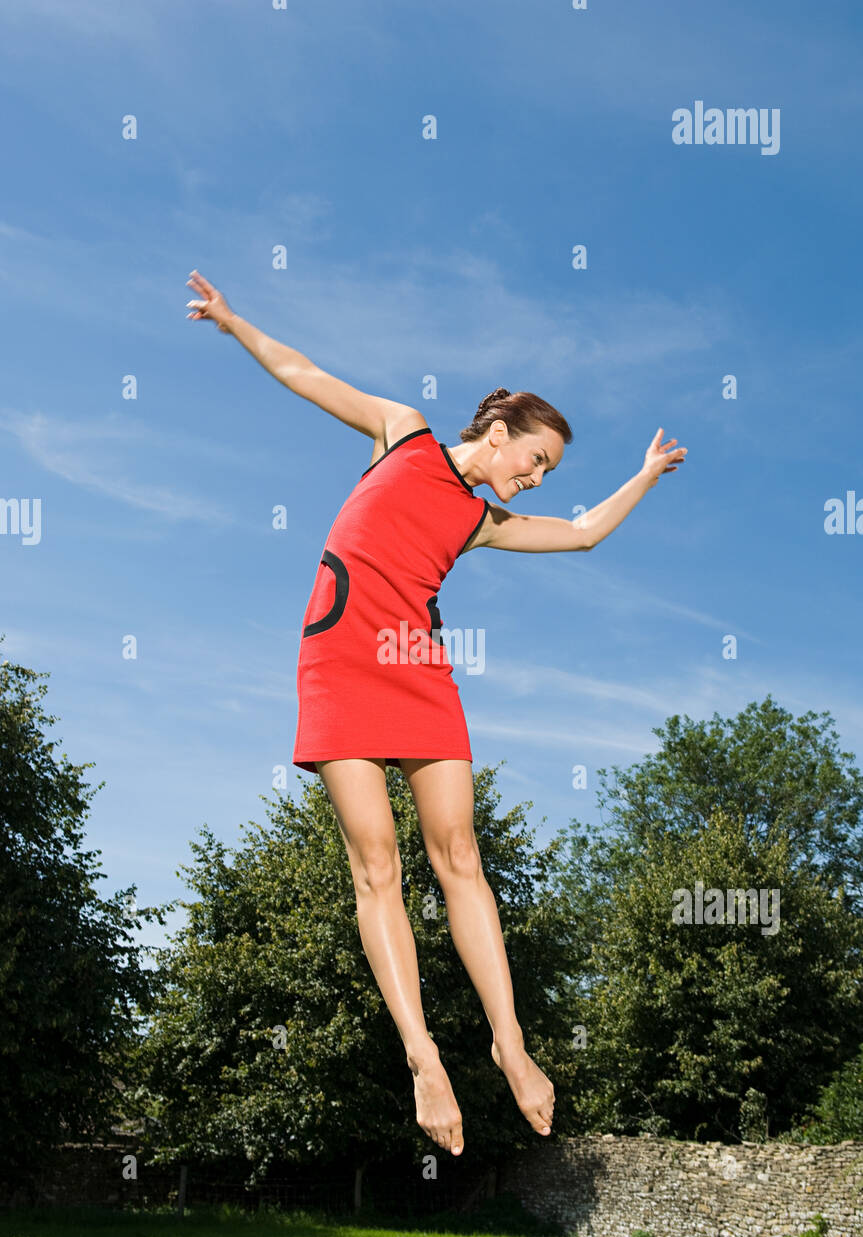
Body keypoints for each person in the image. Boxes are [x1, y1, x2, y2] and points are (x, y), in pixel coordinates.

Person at [186, 269, 687, 1158]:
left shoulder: (477, 519)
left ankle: (509, 1041)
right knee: (376, 865)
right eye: (533, 460)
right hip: (338, 658)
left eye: (545, 471)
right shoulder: (402, 435)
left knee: (458, 855)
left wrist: (643, 476)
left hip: (417, 666)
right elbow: (306, 375)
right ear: (497, 433)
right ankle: (422, 1056)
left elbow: (580, 534)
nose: (534, 479)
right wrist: (235, 324)